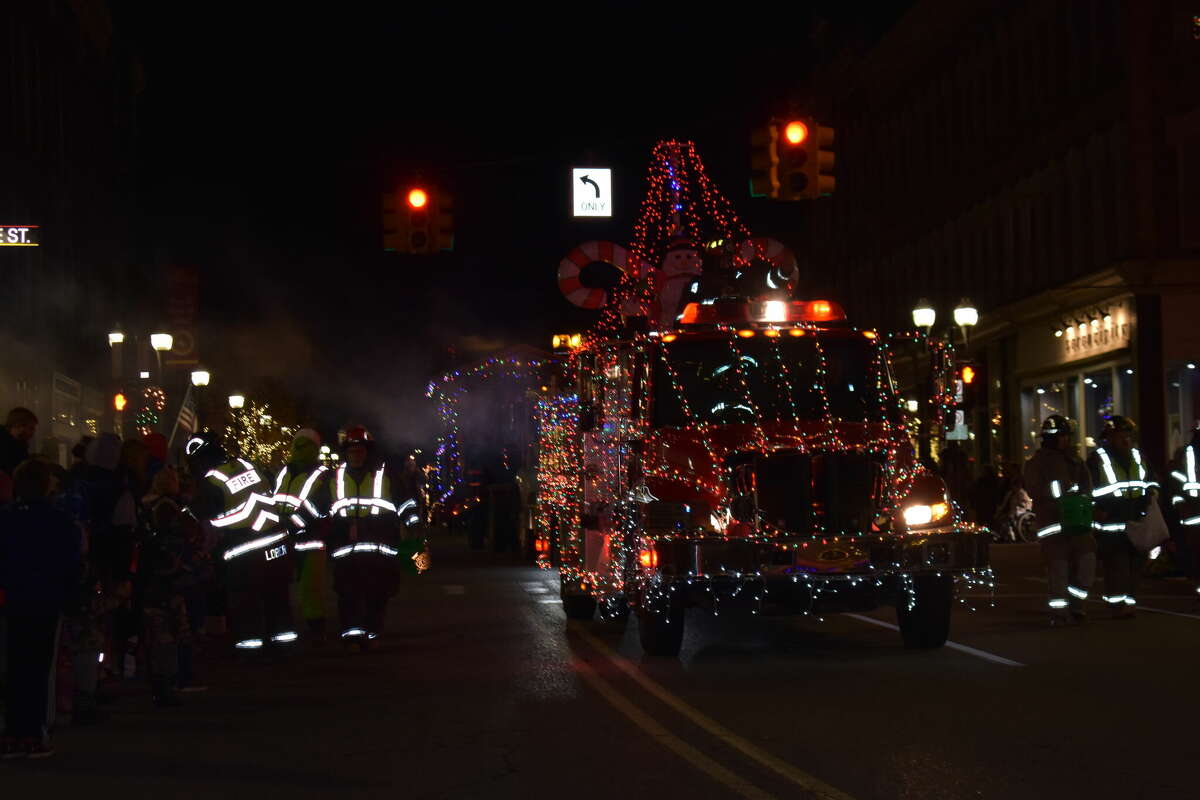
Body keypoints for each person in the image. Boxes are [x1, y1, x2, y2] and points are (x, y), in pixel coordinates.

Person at [0, 459, 83, 758]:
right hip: (46, 600)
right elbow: (71, 563)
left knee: (13, 666)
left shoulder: (7, 518)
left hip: (13, 599)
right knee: (38, 667)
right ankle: (32, 732)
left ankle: (12, 731)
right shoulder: (60, 521)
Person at [184, 432, 295, 654]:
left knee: (246, 603)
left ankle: (251, 649)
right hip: (278, 543)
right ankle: (283, 645)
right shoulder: (248, 465)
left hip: (245, 550)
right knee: (278, 597)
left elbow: (201, 516)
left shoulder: (212, 480)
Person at [318, 426, 419, 650]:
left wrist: (413, 525)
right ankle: (352, 636)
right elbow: (319, 506)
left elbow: (404, 501)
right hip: (346, 547)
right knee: (347, 592)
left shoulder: (385, 475)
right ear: (345, 452)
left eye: (360, 450)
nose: (356, 455)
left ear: (368, 451)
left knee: (378, 592)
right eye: (351, 451)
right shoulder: (334, 478)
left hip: (379, 547)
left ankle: (371, 630)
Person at [1023, 415, 1095, 625]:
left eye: (1066, 436)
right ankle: (1060, 613)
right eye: (1061, 436)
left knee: (1086, 566)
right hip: (1053, 525)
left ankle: (1077, 605)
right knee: (1059, 571)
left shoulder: (1076, 460)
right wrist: (1062, 490)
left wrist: (1084, 499)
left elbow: (1088, 487)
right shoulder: (1037, 463)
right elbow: (1034, 488)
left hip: (1079, 524)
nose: (1065, 440)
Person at [1087, 416, 1159, 618]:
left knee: (1136, 566)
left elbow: (1152, 480)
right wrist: (1097, 510)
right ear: (1109, 437)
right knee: (1117, 567)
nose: (1126, 439)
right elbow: (1087, 489)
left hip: (1137, 521)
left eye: (1128, 435)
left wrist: (1152, 493)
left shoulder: (1138, 456)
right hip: (1111, 524)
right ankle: (1116, 605)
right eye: (1121, 435)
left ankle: (1129, 603)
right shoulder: (1097, 459)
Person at [272, 429, 330, 640]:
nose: (299, 449)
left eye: (305, 445)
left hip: (310, 539)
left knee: (311, 586)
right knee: (278, 584)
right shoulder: (283, 472)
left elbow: (319, 506)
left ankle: (316, 627)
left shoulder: (323, 474)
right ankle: (282, 626)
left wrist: (291, 524)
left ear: (314, 448)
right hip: (283, 537)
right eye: (297, 444)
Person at [1168, 426, 1200, 601]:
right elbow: (1175, 483)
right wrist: (1181, 505)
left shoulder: (1186, 455)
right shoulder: (1187, 456)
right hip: (1193, 513)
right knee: (1195, 551)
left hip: (1191, 513)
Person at [0, 407, 38, 478]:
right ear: (19, 425)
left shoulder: (19, 445)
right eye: (31, 428)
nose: (33, 433)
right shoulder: (12, 448)